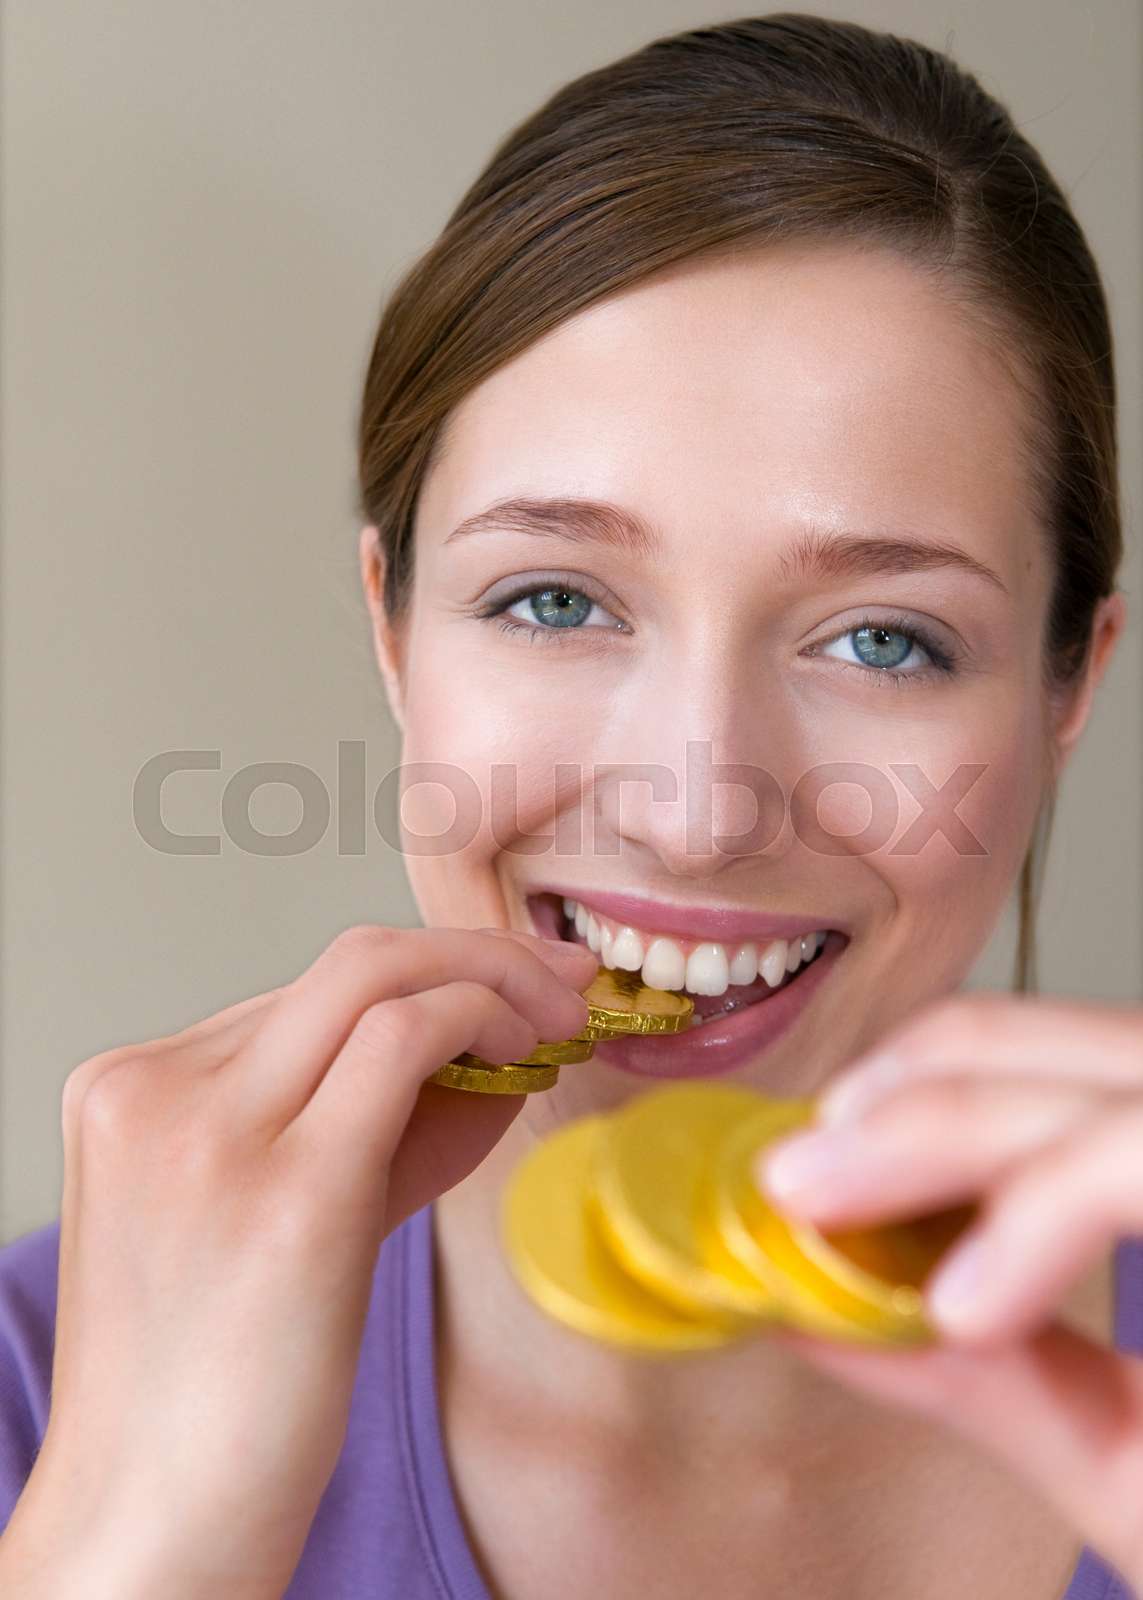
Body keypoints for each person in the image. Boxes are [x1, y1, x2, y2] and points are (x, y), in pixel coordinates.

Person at [1, 12, 1140, 1598]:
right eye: (553, 601)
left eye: (885, 638)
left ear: (1069, 682)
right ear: (395, 628)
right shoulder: (39, 1402)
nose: (694, 813)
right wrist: (131, 1556)